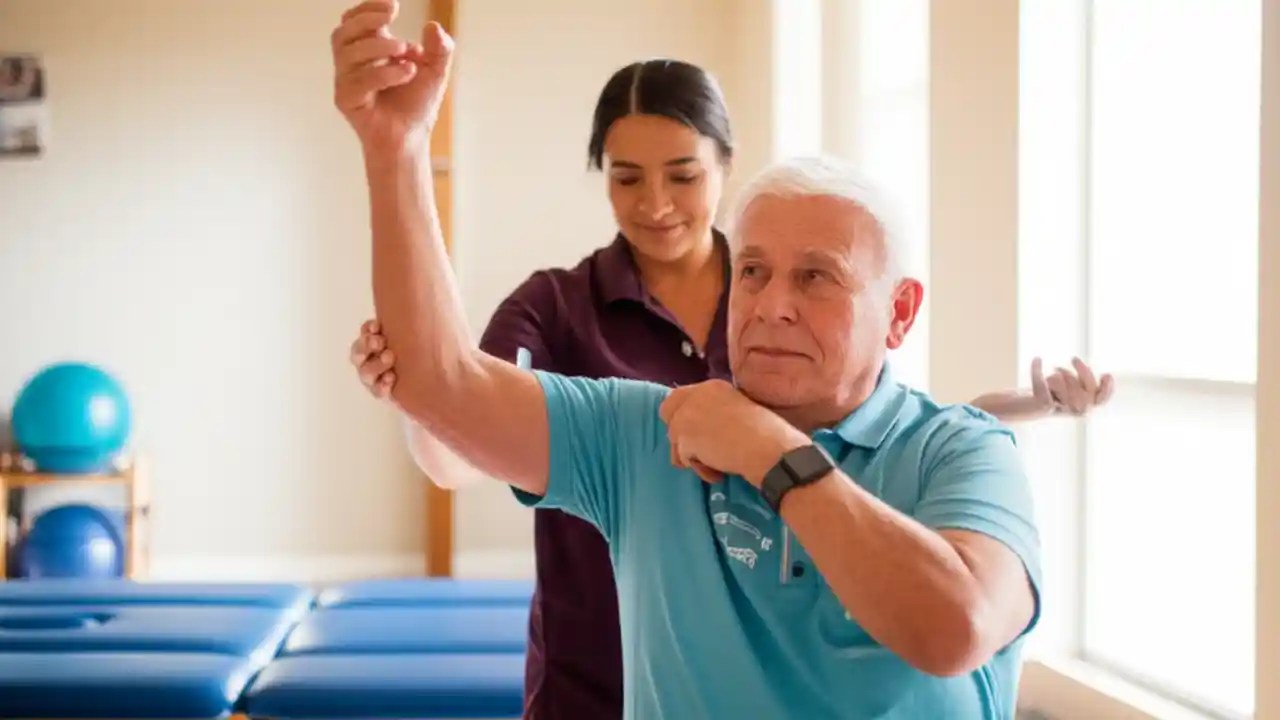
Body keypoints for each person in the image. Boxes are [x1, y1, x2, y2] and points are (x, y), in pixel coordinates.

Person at [334, 2, 1113, 718]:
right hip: (581, 674)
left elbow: (954, 626)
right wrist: (395, 148)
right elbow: (447, 388)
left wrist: (769, 450)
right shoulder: (641, 424)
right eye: (755, 272)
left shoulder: (966, 452)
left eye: (815, 277)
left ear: (899, 312)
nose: (772, 304)